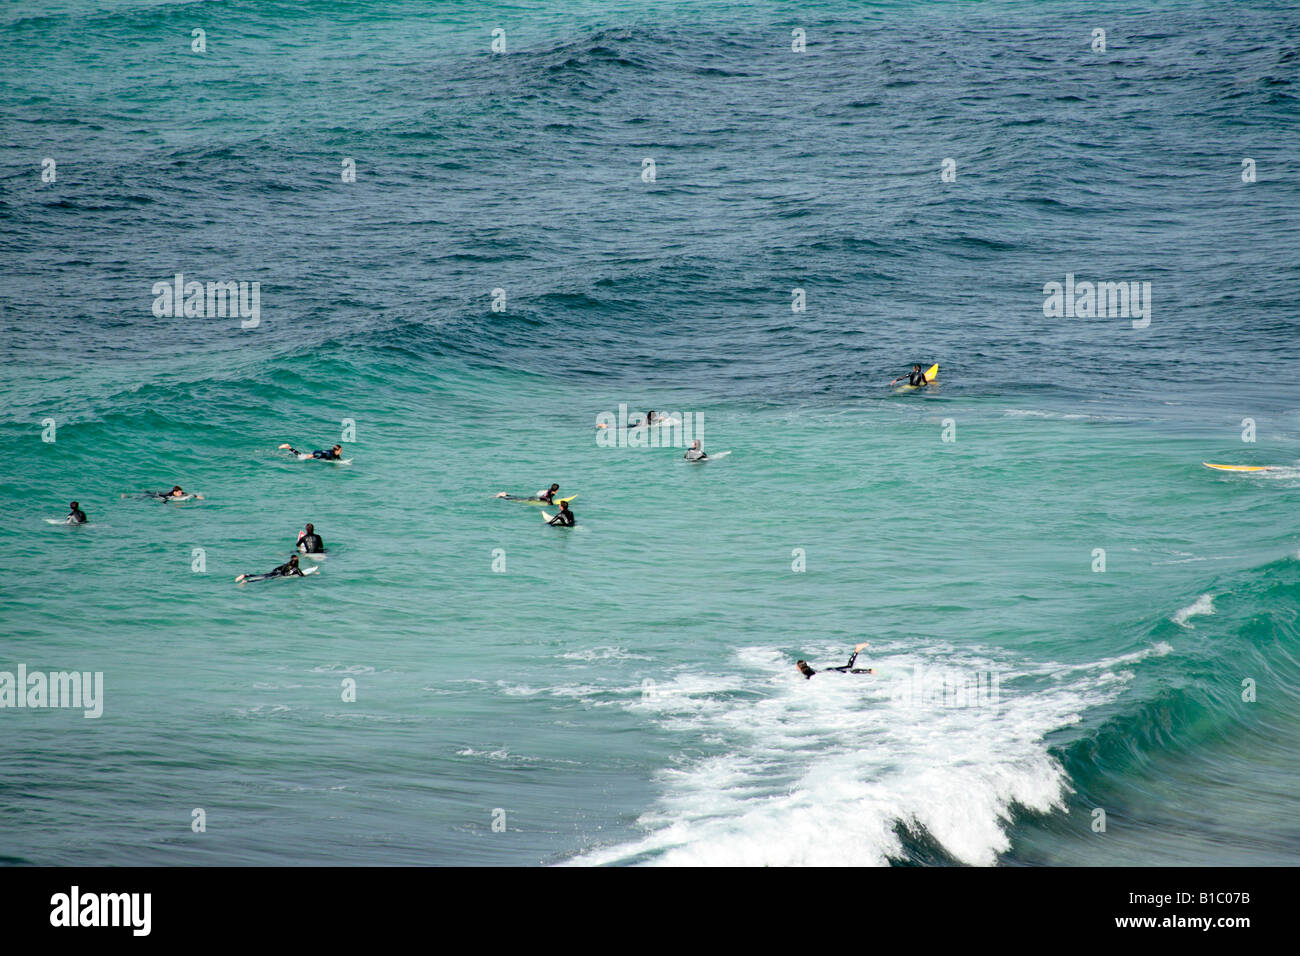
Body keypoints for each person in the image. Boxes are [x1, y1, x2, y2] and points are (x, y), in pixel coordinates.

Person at [796, 643, 874, 678]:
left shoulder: (806, 673)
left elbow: (809, 678)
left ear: (799, 667)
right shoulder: (808, 669)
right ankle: (857, 649)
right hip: (828, 670)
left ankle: (869, 671)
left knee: (849, 671)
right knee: (849, 667)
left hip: (830, 672)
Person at [236, 554, 307, 583]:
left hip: (275, 572)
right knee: (263, 579)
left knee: (260, 575)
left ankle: (246, 575)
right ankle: (247, 582)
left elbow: (276, 569)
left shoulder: (285, 564)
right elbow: (302, 576)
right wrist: (313, 574)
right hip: (278, 575)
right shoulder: (297, 569)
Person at [496, 483, 560, 503]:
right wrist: (553, 505)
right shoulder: (550, 494)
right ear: (556, 490)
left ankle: (506, 494)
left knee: (519, 498)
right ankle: (501, 497)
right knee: (517, 499)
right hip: (534, 499)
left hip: (535, 497)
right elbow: (548, 499)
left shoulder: (549, 490)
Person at [280, 442, 344, 461]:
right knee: (299, 455)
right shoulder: (329, 453)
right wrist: (312, 455)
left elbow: (338, 459)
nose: (341, 451)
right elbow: (317, 451)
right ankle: (288, 447)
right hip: (312, 457)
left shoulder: (336, 454)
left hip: (315, 458)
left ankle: (288, 449)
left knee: (298, 455)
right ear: (337, 450)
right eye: (340, 450)